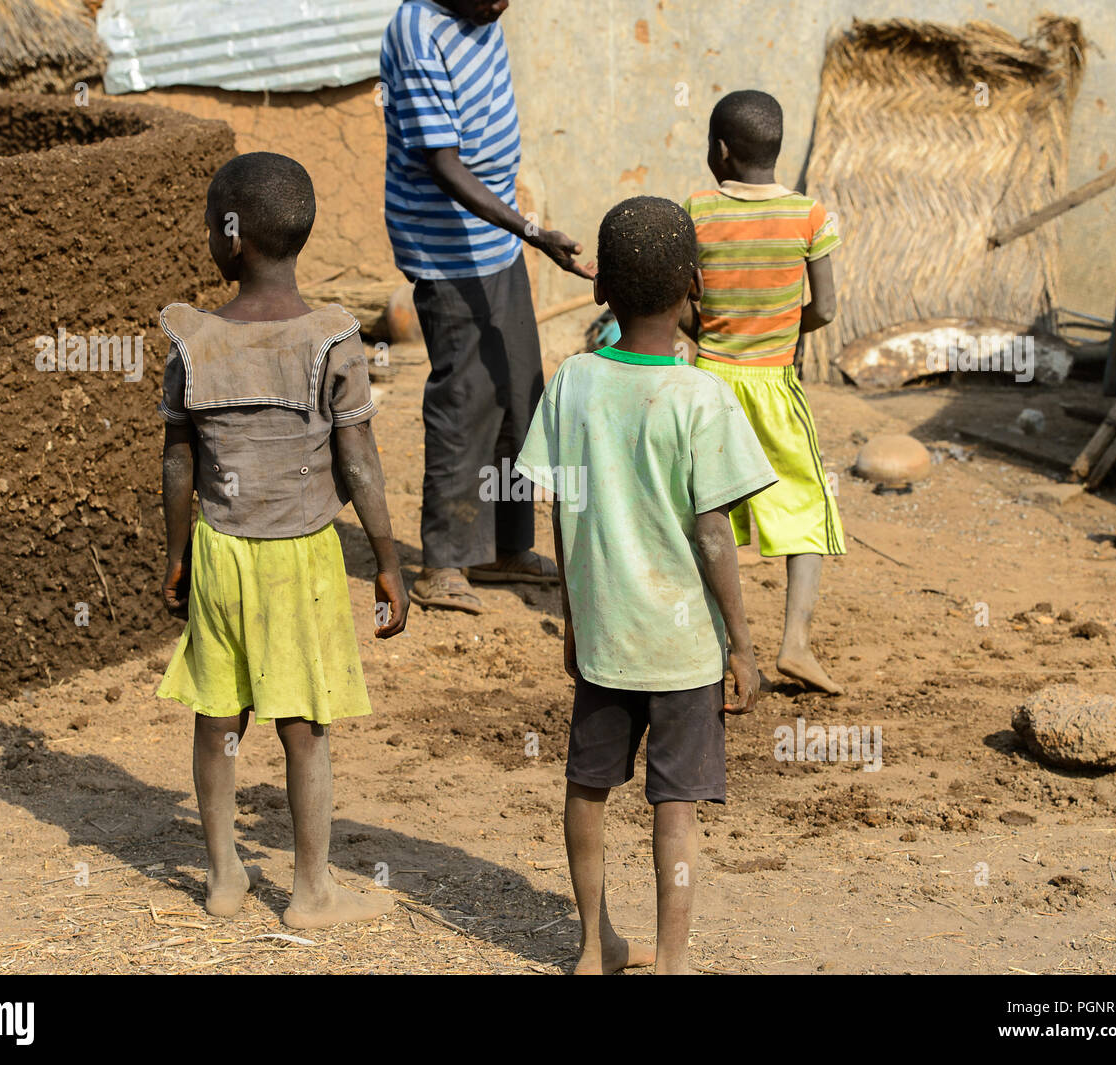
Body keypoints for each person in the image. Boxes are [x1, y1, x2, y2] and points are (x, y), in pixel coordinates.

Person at [517, 197, 778, 975]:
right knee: (676, 807)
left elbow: (560, 513)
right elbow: (712, 537)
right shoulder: (703, 398)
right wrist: (743, 643)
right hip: (684, 647)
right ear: (695, 285)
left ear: (601, 291)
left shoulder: (573, 384)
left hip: (604, 638)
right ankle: (670, 960)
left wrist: (572, 618)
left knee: (587, 787)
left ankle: (595, 946)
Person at [156, 152, 409, 929]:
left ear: (231, 239)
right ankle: (310, 892)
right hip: (301, 558)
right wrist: (390, 557)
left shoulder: (194, 340)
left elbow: (177, 459)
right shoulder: (332, 339)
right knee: (304, 728)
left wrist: (177, 551)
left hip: (221, 550)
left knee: (216, 720)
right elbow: (358, 460)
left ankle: (227, 878)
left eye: (210, 221)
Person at [379, 0, 593, 614]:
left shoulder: (478, 16)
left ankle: (503, 545)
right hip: (447, 249)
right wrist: (532, 230)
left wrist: (519, 234)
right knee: (466, 399)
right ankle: (443, 562)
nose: (503, 3)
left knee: (518, 390)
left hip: (494, 241)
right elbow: (443, 163)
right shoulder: (417, 32)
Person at [682, 89, 847, 695]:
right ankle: (796, 645)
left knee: (702, 512)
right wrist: (779, 329)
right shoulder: (811, 216)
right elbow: (825, 309)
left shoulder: (696, 210)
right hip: (774, 384)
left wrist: (705, 329)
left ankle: (716, 643)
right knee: (805, 508)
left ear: (720, 152)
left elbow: (679, 300)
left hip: (708, 382)